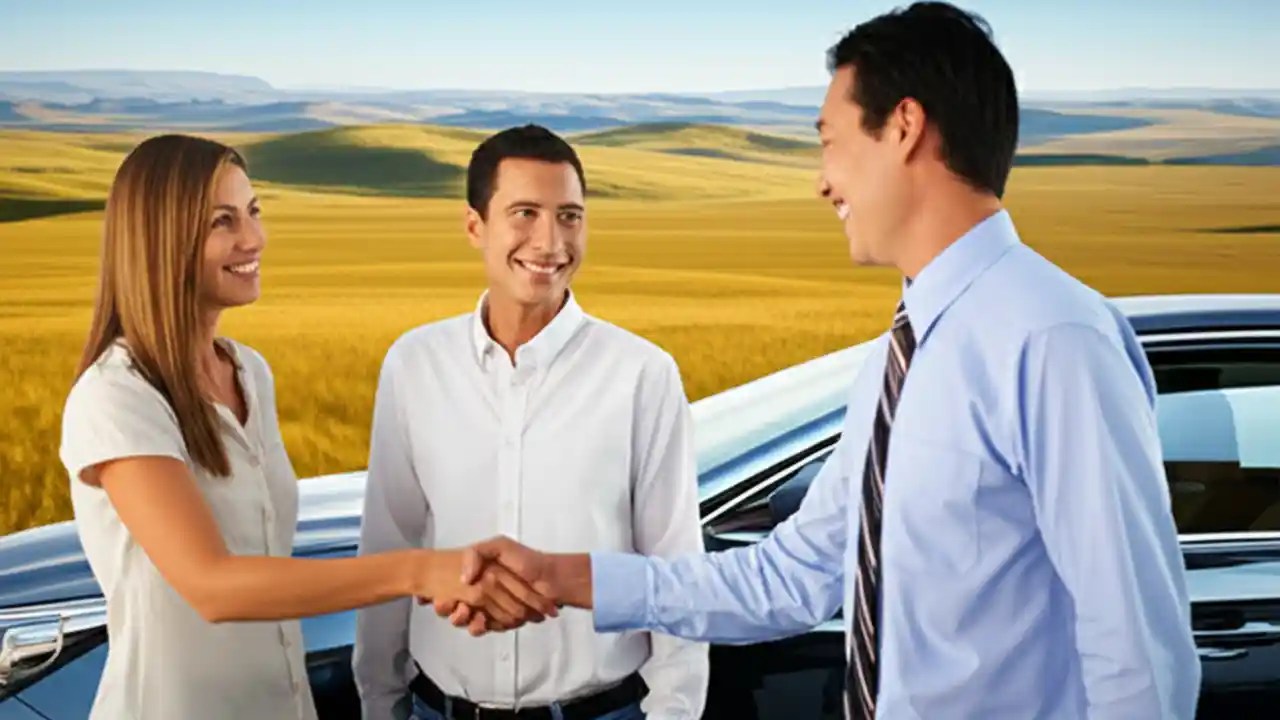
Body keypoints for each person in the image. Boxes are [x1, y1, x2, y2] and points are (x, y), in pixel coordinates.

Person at [442, 4, 1202, 719]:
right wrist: (562, 576)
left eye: (829, 140)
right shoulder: (899, 358)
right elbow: (789, 577)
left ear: (904, 126)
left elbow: (1136, 657)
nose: (821, 179)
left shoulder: (1053, 338)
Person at [59, 134, 556, 720]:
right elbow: (212, 587)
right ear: (160, 240)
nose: (254, 239)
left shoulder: (249, 373)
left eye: (254, 211)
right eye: (224, 221)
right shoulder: (117, 395)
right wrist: (421, 569)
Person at [351, 124, 709, 720]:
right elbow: (390, 545)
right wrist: (380, 704)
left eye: (570, 216)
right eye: (525, 213)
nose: (550, 241)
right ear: (475, 226)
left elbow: (674, 570)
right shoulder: (415, 364)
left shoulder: (641, 374)